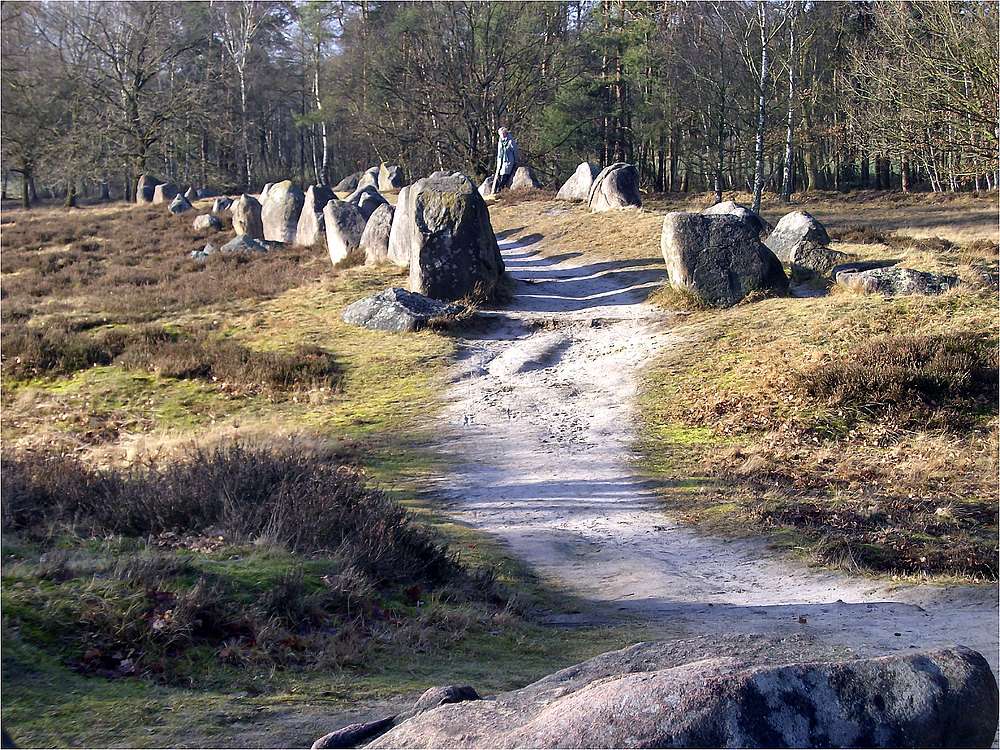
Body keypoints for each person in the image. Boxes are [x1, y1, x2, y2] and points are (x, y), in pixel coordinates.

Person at [493, 127, 519, 194]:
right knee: (499, 176)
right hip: (501, 162)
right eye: (502, 134)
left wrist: (515, 160)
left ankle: (500, 189)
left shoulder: (510, 141)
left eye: (504, 133)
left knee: (504, 174)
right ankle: (498, 190)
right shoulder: (500, 142)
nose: (503, 135)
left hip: (508, 161)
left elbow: (515, 151)